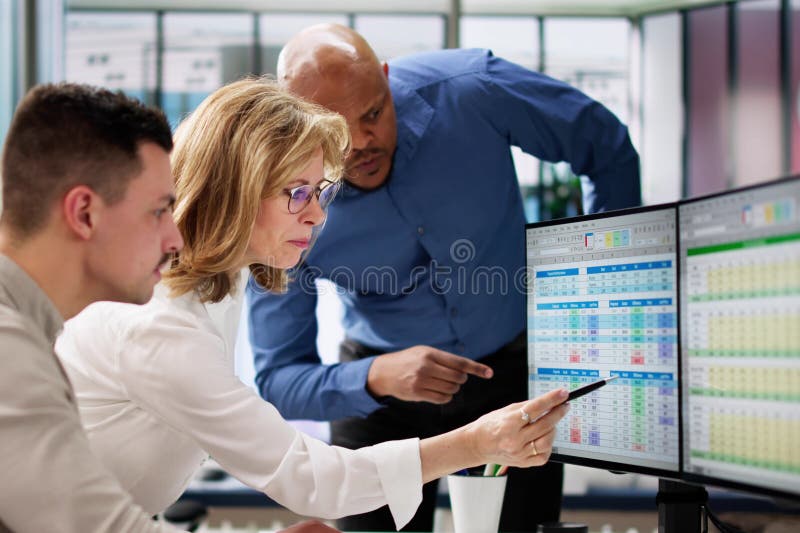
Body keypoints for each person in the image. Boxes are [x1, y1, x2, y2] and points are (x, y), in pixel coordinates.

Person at [56, 78, 571, 531]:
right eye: (297, 193)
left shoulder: (216, 282)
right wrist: (478, 444)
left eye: (321, 190)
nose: (319, 215)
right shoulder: (158, 323)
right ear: (235, 189)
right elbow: (308, 478)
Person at [247, 23, 642, 532]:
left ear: (386, 81)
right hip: (378, 401)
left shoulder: (472, 88)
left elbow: (604, 145)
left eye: (373, 113)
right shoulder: (279, 205)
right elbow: (278, 378)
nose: (363, 142)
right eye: (337, 133)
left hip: (513, 381)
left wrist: (603, 287)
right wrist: (374, 377)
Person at [0, 82, 185, 532]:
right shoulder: (7, 350)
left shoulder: (27, 332)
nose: (175, 240)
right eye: (159, 211)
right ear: (84, 212)